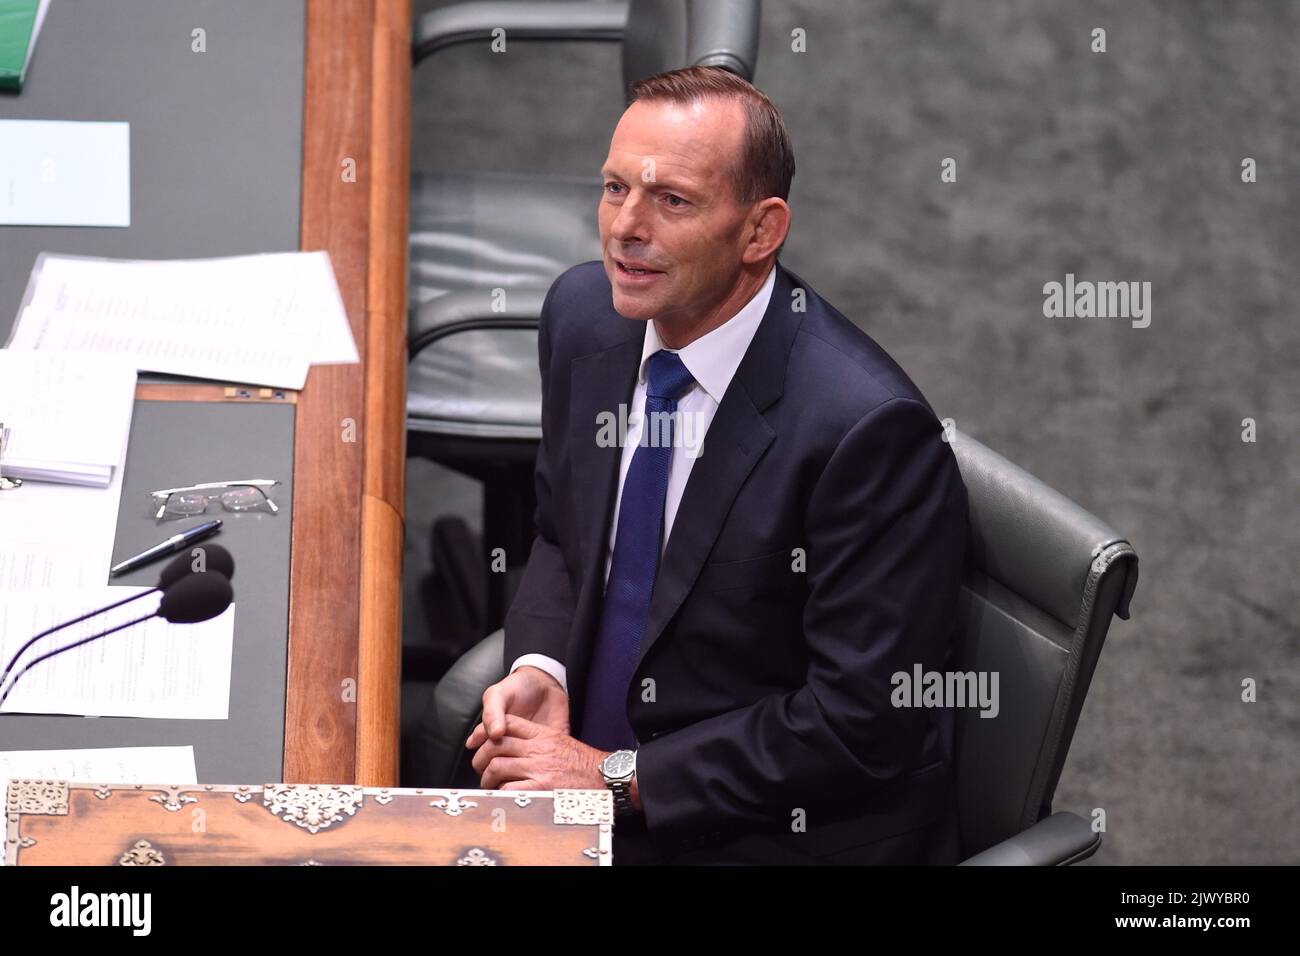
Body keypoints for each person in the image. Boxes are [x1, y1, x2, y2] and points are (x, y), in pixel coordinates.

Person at [465, 65, 969, 864]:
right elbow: (562, 532)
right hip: (589, 760)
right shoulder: (584, 316)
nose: (626, 227)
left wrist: (615, 778)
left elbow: (858, 724)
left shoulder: (865, 433)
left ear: (760, 232)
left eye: (672, 201)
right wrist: (544, 664)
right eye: (614, 188)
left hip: (761, 822)